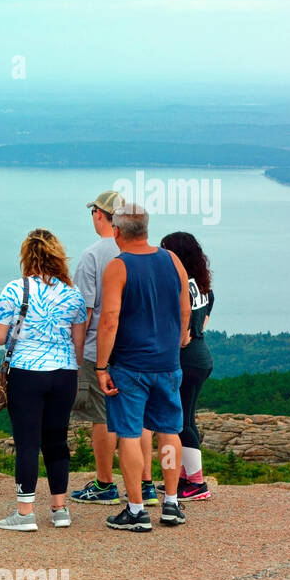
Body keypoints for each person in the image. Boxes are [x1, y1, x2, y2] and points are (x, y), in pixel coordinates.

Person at [95, 203, 192, 531]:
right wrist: (178, 340)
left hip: (130, 366)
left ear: (117, 231)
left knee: (130, 434)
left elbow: (109, 320)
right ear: (146, 229)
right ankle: (171, 503)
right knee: (169, 430)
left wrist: (101, 365)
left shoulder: (118, 267)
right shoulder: (172, 260)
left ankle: (136, 510)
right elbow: (185, 306)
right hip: (167, 364)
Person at [0, 230, 88, 531]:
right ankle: (60, 509)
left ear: (26, 256)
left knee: (28, 441)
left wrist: (19, 335)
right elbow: (78, 341)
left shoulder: (15, 290)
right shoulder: (73, 294)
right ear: (58, 256)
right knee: (56, 440)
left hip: (26, 372)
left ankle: (25, 513)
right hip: (64, 373)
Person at [71, 191, 159, 508]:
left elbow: (88, 312)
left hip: (100, 349)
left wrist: (78, 353)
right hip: (140, 349)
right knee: (141, 419)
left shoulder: (93, 255)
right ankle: (147, 486)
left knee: (103, 418)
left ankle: (105, 484)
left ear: (99, 214)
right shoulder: (149, 253)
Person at [159, 231, 215, 501]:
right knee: (185, 419)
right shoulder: (203, 286)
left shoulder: (179, 286)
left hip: (186, 361)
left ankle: (196, 484)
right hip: (200, 356)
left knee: (182, 422)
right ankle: (183, 478)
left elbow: (180, 329)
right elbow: (201, 326)